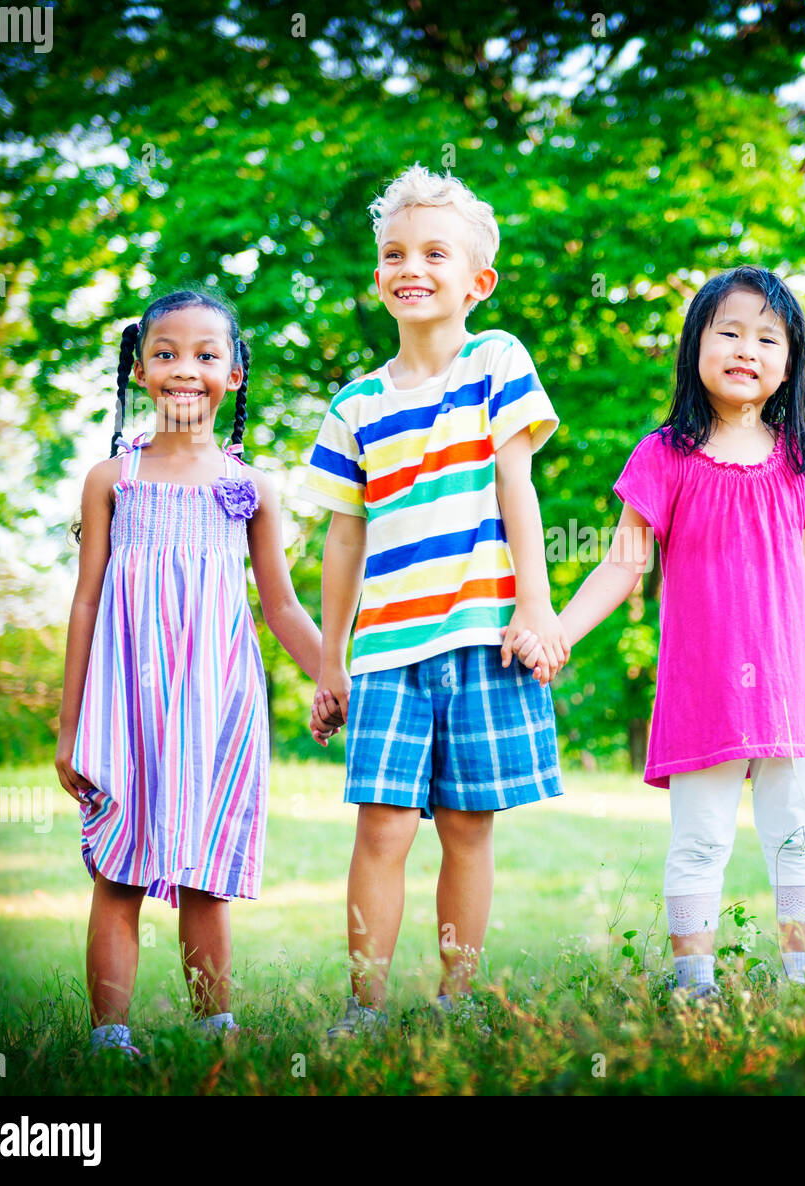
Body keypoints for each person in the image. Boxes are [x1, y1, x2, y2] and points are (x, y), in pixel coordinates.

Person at [510, 266, 805, 997]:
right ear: (697, 345)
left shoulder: (798, 462)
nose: (746, 348)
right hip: (705, 685)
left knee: (798, 834)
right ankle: (694, 984)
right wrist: (558, 631)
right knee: (700, 838)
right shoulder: (665, 456)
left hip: (793, 679)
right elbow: (624, 566)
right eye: (727, 331)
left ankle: (803, 979)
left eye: (767, 336)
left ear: (790, 363)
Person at [303, 165, 564, 1035]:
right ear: (379, 275)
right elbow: (343, 539)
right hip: (385, 654)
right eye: (393, 253)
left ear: (475, 281)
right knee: (381, 830)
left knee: (466, 828)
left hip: (483, 635)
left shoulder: (496, 360)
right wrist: (330, 661)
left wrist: (536, 607)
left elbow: (514, 486)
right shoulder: (353, 404)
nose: (410, 266)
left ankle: (456, 1000)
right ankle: (365, 1006)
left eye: (433, 252)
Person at [55, 290, 333, 1056]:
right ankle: (109, 1037)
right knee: (120, 871)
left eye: (207, 355)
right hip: (124, 707)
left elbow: (280, 606)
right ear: (140, 369)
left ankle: (216, 1027)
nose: (186, 369)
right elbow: (85, 603)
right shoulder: (113, 479)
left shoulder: (252, 487)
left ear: (235, 374)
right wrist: (71, 725)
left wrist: (333, 677)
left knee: (207, 875)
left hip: (218, 703)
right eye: (166, 353)